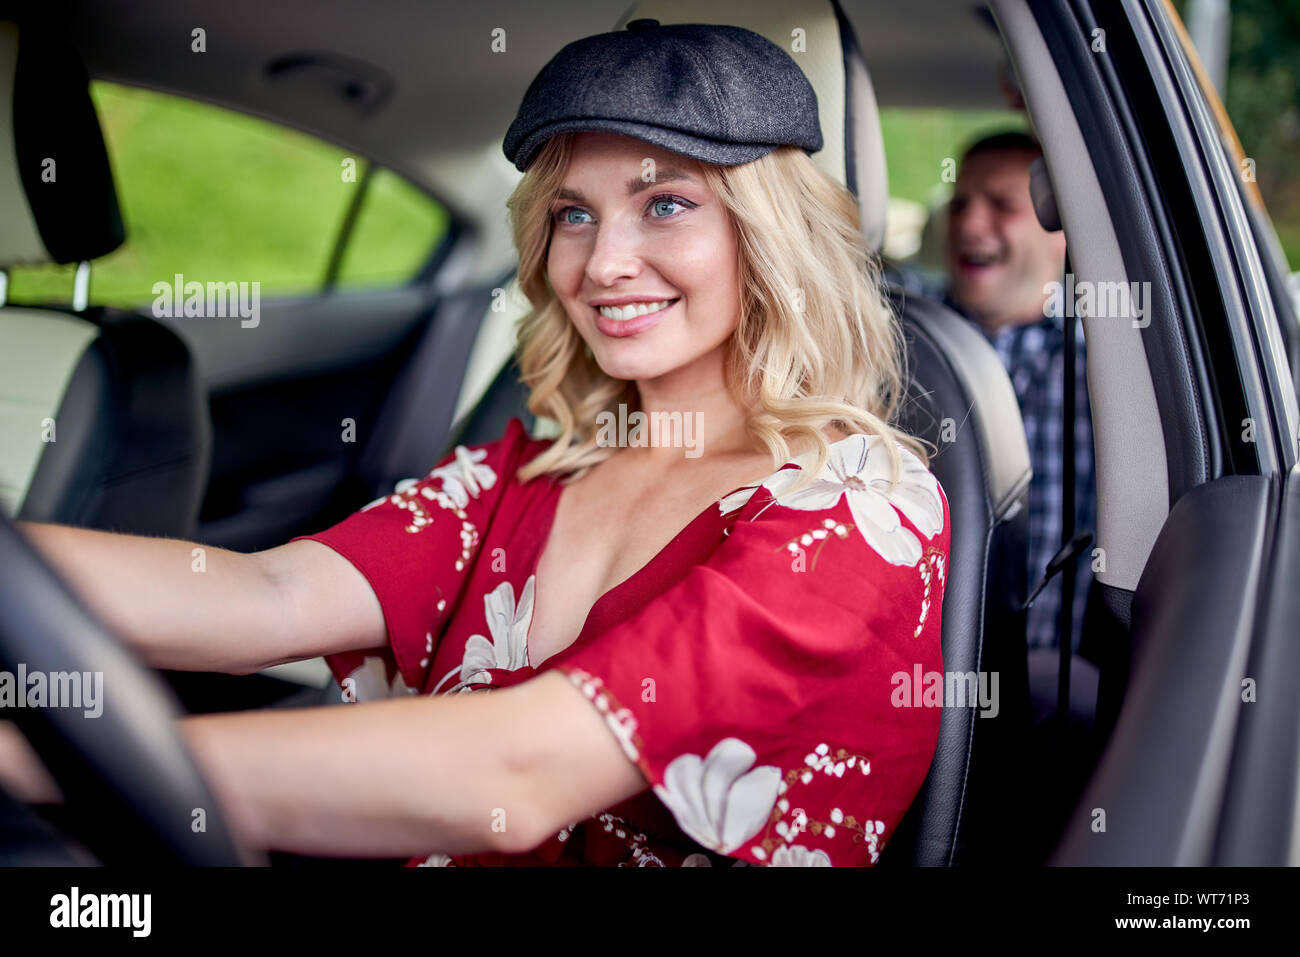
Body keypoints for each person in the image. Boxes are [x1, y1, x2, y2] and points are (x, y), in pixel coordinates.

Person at [1, 21, 949, 867]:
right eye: (574, 213)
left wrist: (47, 762)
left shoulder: (856, 511)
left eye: (665, 203)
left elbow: (516, 774)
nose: (602, 262)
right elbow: (268, 592)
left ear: (768, 233)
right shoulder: (525, 469)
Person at [943, 130, 1095, 657]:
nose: (968, 222)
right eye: (959, 203)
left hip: (1044, 683)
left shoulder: (1103, 370)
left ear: (1062, 232)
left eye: (1001, 205)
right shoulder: (893, 340)